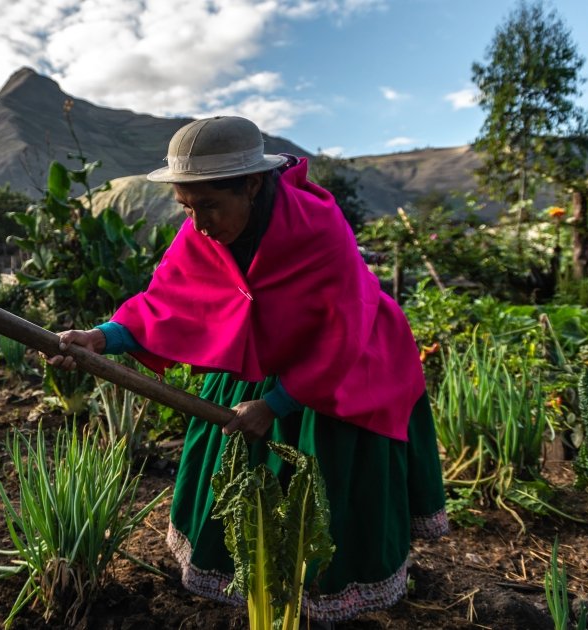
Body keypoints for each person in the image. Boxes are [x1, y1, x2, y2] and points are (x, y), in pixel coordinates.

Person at [47, 115, 447, 624]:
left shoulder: (318, 229)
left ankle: (330, 593)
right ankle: (245, 584)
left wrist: (277, 404)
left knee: (325, 486)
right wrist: (103, 337)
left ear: (254, 185)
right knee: (234, 479)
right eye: (186, 207)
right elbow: (168, 299)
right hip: (259, 353)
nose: (197, 223)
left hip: (349, 359)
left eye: (209, 205)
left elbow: (344, 331)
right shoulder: (203, 230)